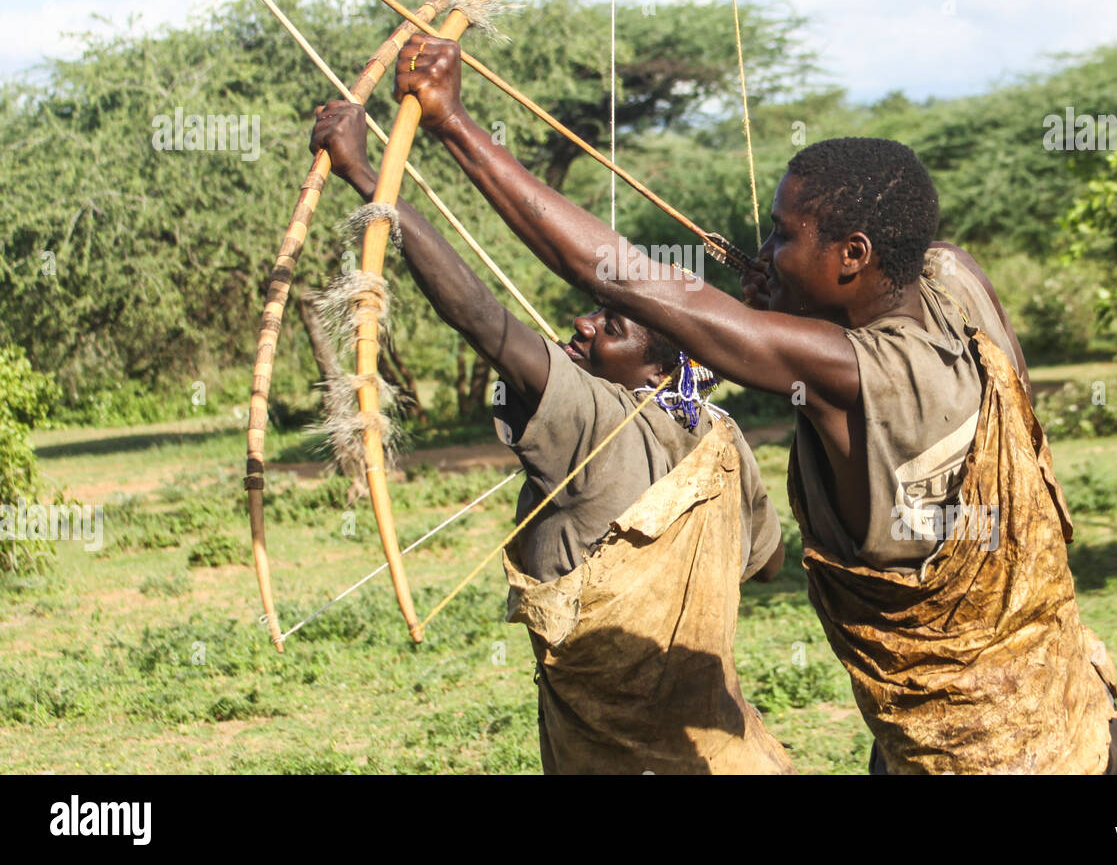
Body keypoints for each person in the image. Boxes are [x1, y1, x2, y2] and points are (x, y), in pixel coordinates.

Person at [392, 32, 1117, 775]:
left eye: (785, 235)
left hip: (972, 753)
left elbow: (620, 275)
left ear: (853, 256)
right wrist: (804, 304)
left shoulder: (845, 375)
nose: (769, 249)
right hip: (1076, 710)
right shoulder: (957, 281)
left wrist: (453, 123)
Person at [310, 100, 793, 775]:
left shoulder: (598, 417)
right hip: (725, 754)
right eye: (598, 312)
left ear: (660, 368)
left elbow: (483, 321)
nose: (586, 324)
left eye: (614, 326)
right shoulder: (719, 435)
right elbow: (767, 564)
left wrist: (368, 175)